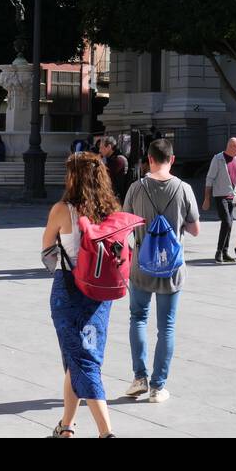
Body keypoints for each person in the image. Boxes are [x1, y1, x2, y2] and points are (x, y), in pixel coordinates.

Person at [42, 151, 122, 438]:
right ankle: (66, 426)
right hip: (100, 294)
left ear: (73, 176)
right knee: (78, 357)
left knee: (83, 360)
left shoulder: (62, 210)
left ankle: (106, 432)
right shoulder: (110, 210)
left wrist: (69, 261)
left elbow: (47, 252)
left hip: (68, 291)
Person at [122, 137, 200, 403]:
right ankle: (158, 387)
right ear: (172, 159)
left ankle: (139, 378)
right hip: (171, 268)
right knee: (166, 327)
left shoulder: (136, 187)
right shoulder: (184, 188)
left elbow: (127, 226)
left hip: (141, 266)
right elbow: (195, 229)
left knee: (138, 319)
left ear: (149, 159)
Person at [203, 137, 236, 263]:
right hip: (221, 196)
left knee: (230, 224)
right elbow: (209, 179)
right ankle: (219, 251)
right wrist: (207, 199)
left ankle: (225, 252)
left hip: (233, 197)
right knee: (226, 221)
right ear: (231, 146)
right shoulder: (218, 159)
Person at [98, 135, 130, 201]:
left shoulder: (118, 160)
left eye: (101, 147)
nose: (99, 150)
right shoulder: (111, 160)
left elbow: (104, 177)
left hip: (117, 199)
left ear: (109, 147)